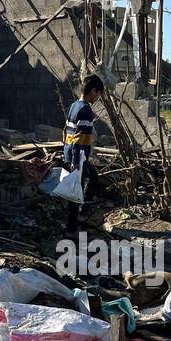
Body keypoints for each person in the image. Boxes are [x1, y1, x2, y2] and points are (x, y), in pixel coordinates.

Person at [61, 74, 103, 232]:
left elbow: (65, 131)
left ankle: (81, 215)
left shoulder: (74, 106)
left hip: (72, 154)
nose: (98, 98)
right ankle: (72, 227)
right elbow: (79, 138)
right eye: (99, 94)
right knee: (75, 193)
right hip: (78, 157)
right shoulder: (86, 110)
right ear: (93, 91)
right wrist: (76, 162)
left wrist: (66, 151)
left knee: (92, 178)